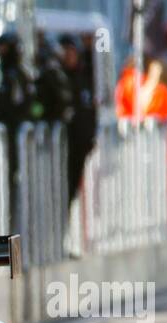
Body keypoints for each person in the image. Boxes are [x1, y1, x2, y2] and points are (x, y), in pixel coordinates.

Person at [59, 35, 97, 207]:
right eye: (64, 52)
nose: (68, 56)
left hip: (83, 141)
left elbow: (102, 51)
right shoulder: (59, 78)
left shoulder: (87, 74)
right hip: (64, 144)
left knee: (76, 187)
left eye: (71, 52)